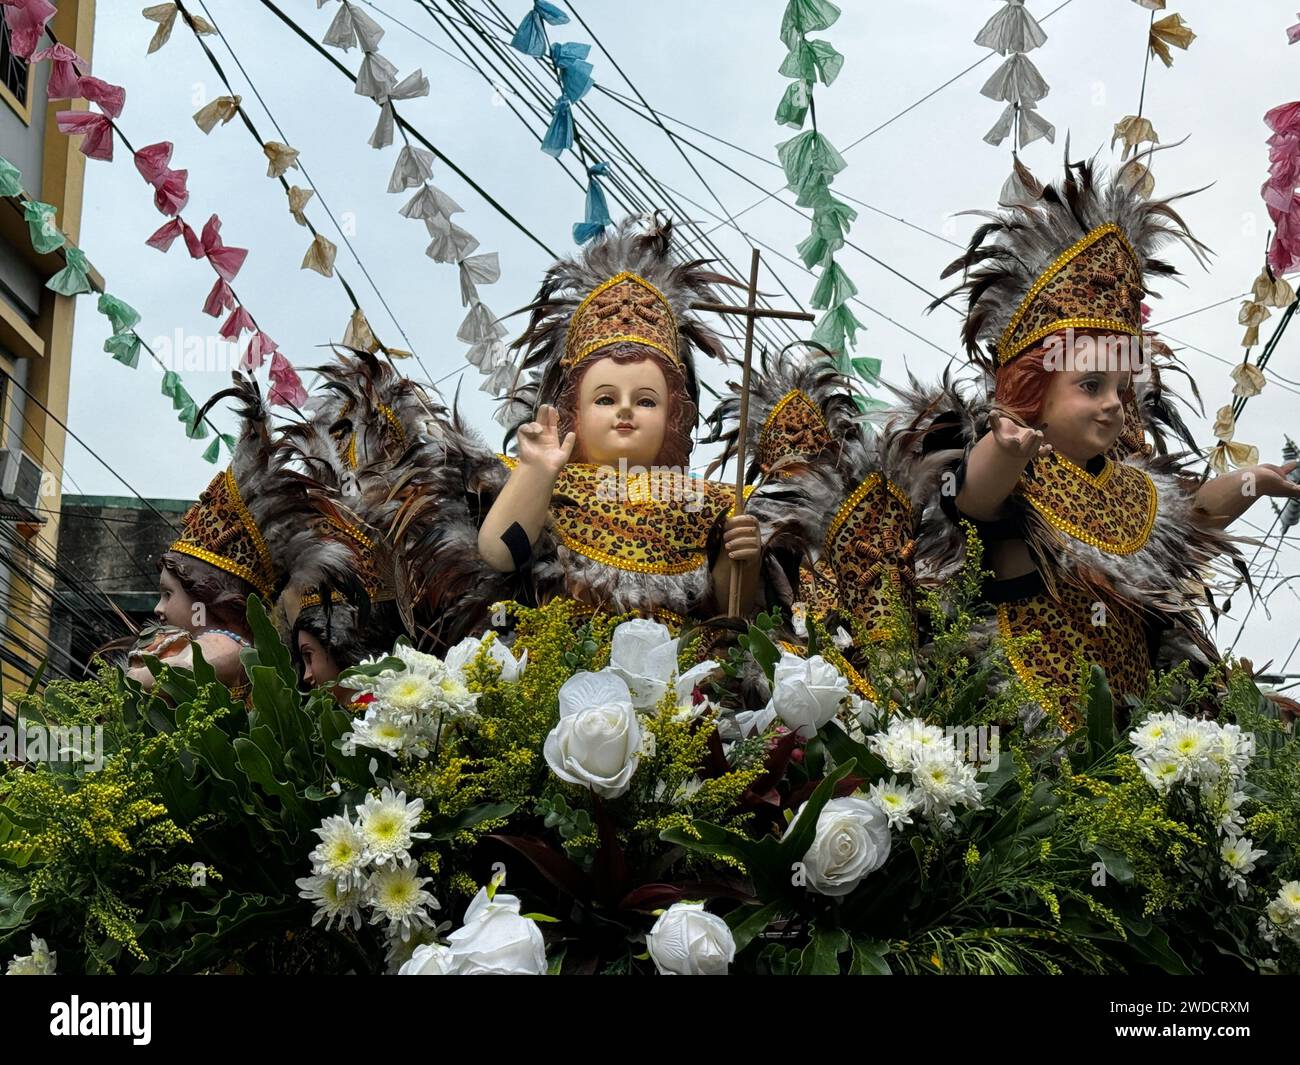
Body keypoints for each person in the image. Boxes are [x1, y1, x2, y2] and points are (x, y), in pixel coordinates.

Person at [891, 155, 1300, 732]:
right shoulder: (1011, 467)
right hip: (1017, 717)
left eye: (1119, 386)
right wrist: (1005, 451)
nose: (1112, 402)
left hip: (1135, 730)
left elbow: (1195, 516)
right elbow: (974, 502)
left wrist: (1254, 481)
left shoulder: (1132, 485)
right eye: (1089, 385)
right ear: (1035, 388)